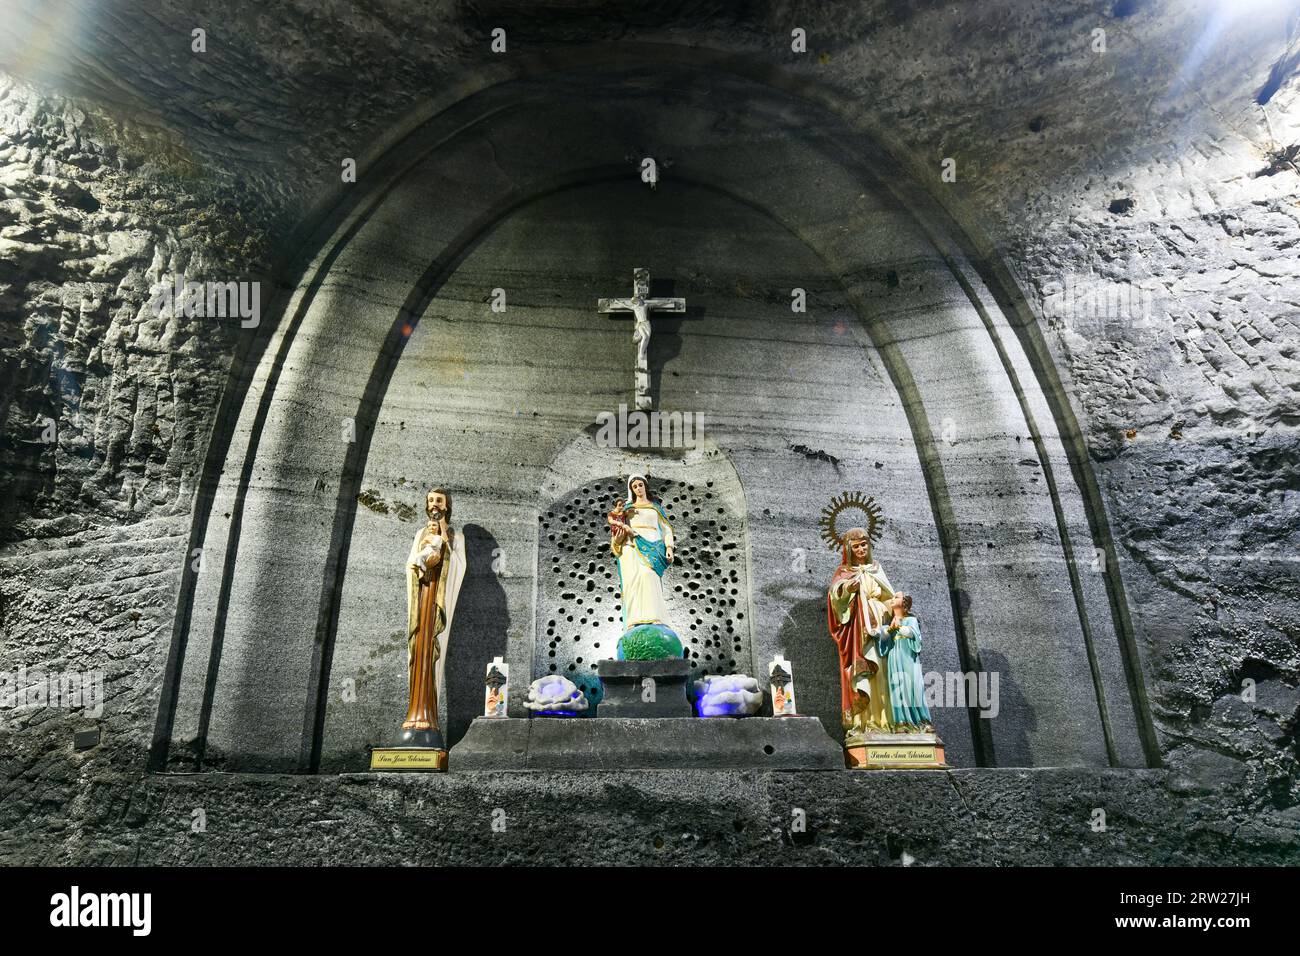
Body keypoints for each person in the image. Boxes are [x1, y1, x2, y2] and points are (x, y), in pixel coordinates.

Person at [826, 527, 894, 733]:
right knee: (864, 676)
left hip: (881, 632)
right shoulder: (844, 572)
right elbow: (835, 600)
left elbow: (888, 597)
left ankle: (885, 721)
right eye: (856, 546)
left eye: (864, 545)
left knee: (883, 676)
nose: (861, 549)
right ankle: (865, 722)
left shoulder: (876, 569)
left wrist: (898, 608)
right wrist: (848, 589)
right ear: (848, 549)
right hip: (858, 634)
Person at [607, 475, 675, 629]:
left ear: (645, 486)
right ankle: (634, 620)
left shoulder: (655, 507)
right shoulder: (627, 509)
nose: (638, 488)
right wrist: (617, 539)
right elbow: (617, 529)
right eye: (634, 486)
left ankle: (655, 616)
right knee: (632, 582)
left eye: (640, 485)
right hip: (631, 546)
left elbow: (666, 530)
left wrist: (669, 547)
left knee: (649, 576)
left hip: (653, 545)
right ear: (631, 490)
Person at [878, 592, 934, 733]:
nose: (893, 598)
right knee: (897, 688)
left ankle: (923, 721)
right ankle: (901, 722)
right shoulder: (889, 623)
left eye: (897, 596)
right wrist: (888, 630)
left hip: (907, 656)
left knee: (913, 687)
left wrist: (899, 627)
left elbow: (913, 634)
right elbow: (883, 637)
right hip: (894, 658)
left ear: (904, 603)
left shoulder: (910, 620)